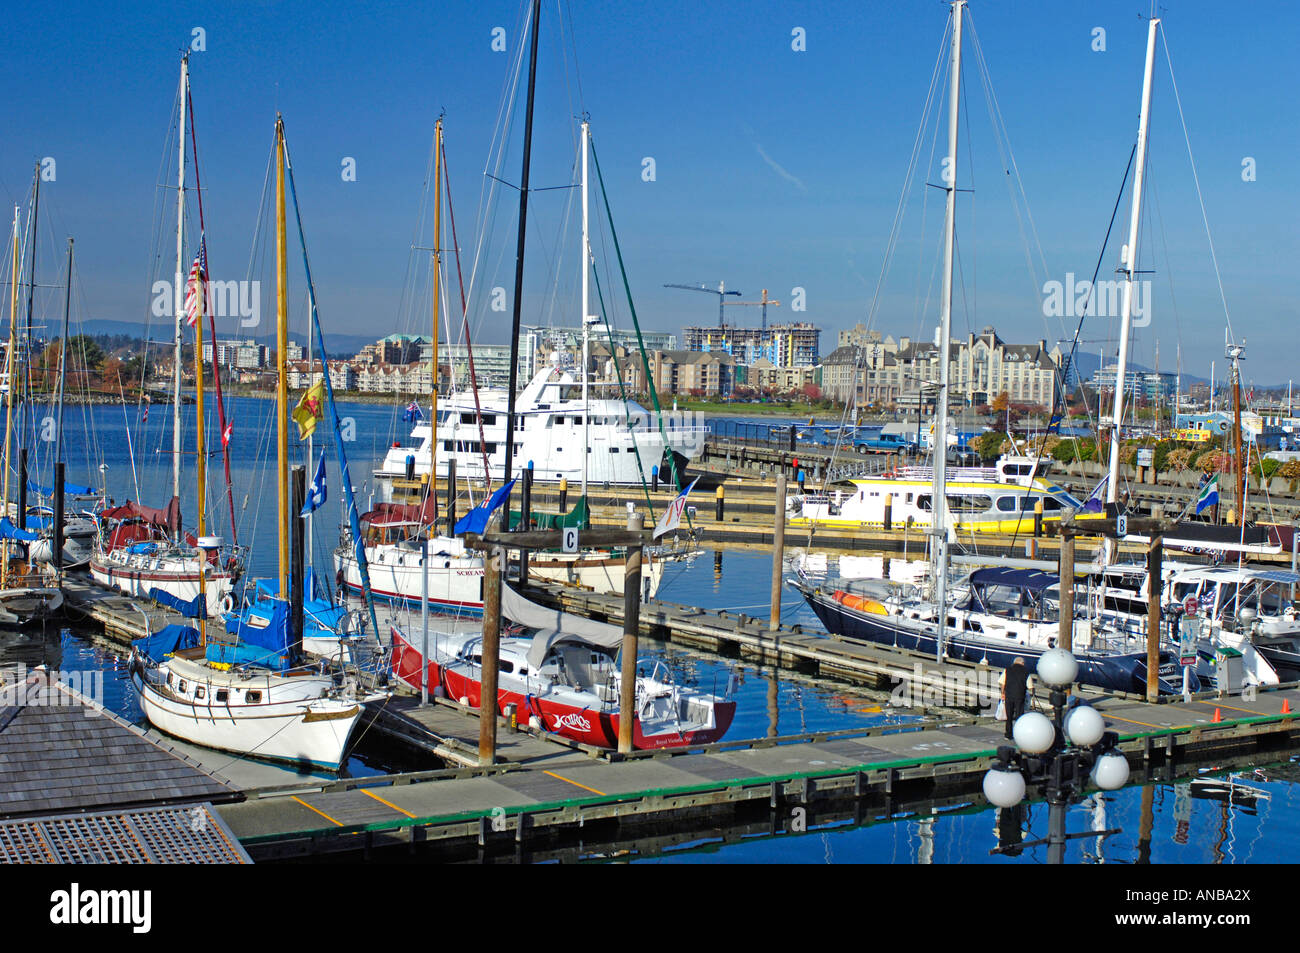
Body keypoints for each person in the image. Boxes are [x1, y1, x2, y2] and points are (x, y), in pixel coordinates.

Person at [1001, 657, 1029, 740]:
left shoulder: (1007, 670)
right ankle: (1018, 734)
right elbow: (1030, 685)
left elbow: (1003, 683)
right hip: (1019, 696)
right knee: (1019, 716)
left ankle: (1008, 734)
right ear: (1022, 663)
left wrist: (1003, 693)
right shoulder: (1026, 671)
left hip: (1009, 695)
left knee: (1009, 716)